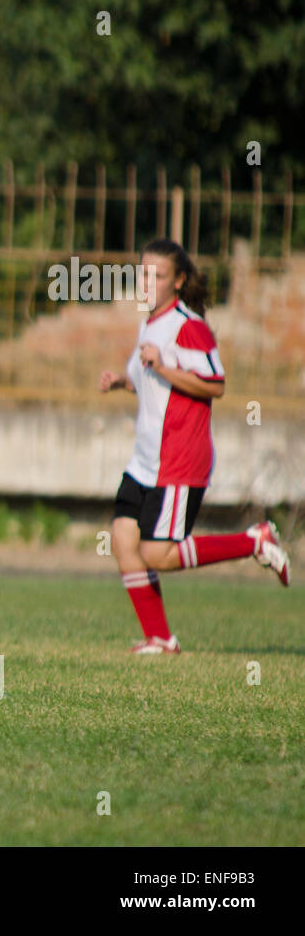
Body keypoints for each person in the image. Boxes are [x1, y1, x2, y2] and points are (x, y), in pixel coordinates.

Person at [99, 238, 290, 654]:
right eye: (144, 273)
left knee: (155, 553)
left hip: (180, 458)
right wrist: (122, 382)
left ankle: (254, 541)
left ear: (179, 281)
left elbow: (214, 385)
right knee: (122, 541)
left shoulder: (190, 326)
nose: (148, 282)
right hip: (145, 460)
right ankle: (161, 639)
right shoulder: (148, 323)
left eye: (159, 275)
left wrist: (163, 366)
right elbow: (152, 382)